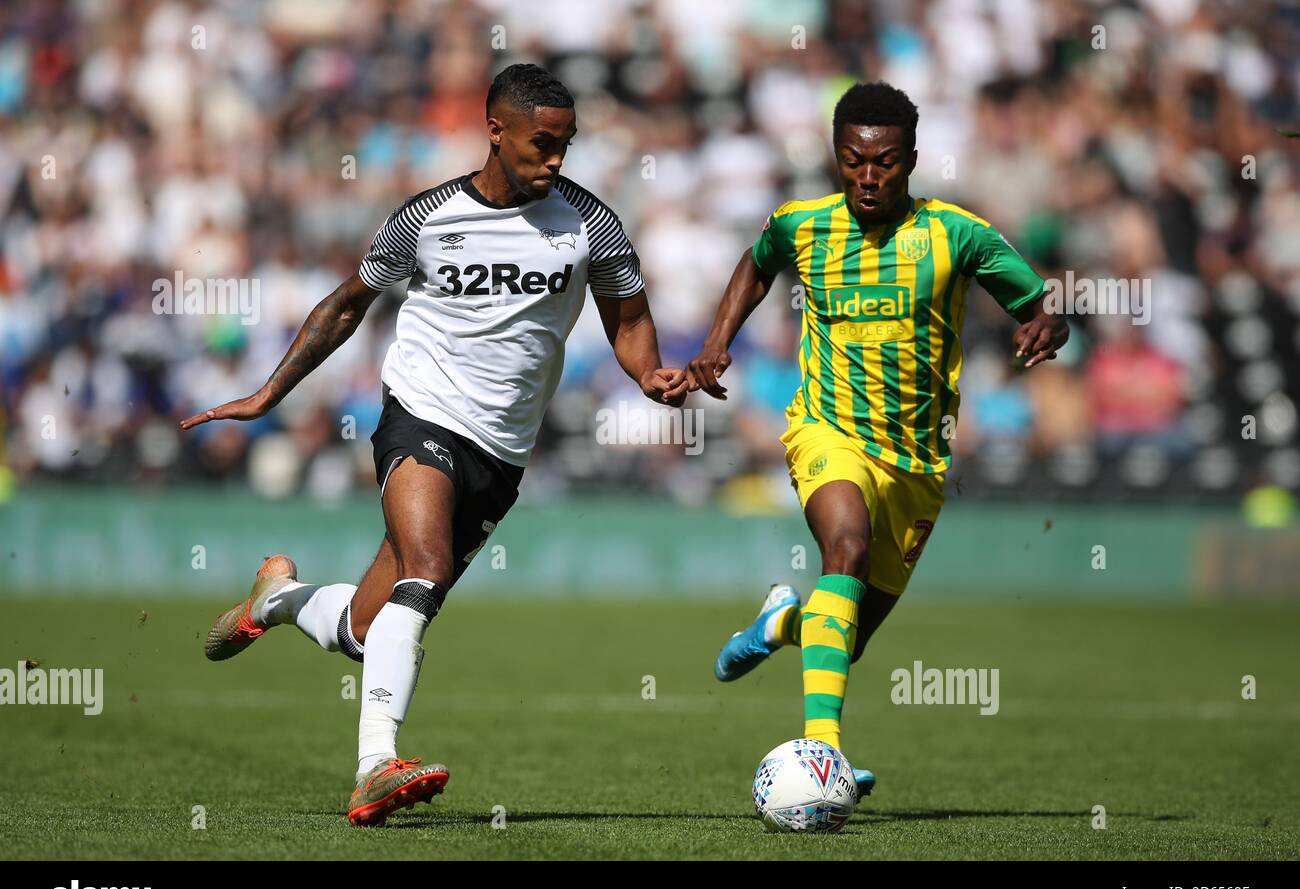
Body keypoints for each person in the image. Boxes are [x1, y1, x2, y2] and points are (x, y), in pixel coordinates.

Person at [181, 64, 687, 827]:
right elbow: (346, 305)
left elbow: (628, 315)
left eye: (567, 145)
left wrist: (650, 376)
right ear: (495, 129)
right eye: (542, 143)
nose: (556, 160)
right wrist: (270, 392)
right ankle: (375, 766)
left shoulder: (592, 224)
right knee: (427, 566)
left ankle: (278, 600)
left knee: (365, 629)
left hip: (503, 451)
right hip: (420, 414)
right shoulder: (429, 217)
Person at [686, 81, 1067, 797]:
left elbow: (1042, 302)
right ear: (835, 155)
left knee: (846, 636)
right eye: (853, 160)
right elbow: (757, 260)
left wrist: (1048, 323)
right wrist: (715, 343)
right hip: (827, 430)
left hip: (918, 462)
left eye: (885, 162)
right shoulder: (803, 224)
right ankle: (823, 753)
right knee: (846, 550)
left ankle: (780, 625)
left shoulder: (958, 234)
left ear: (913, 159)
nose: (868, 176)